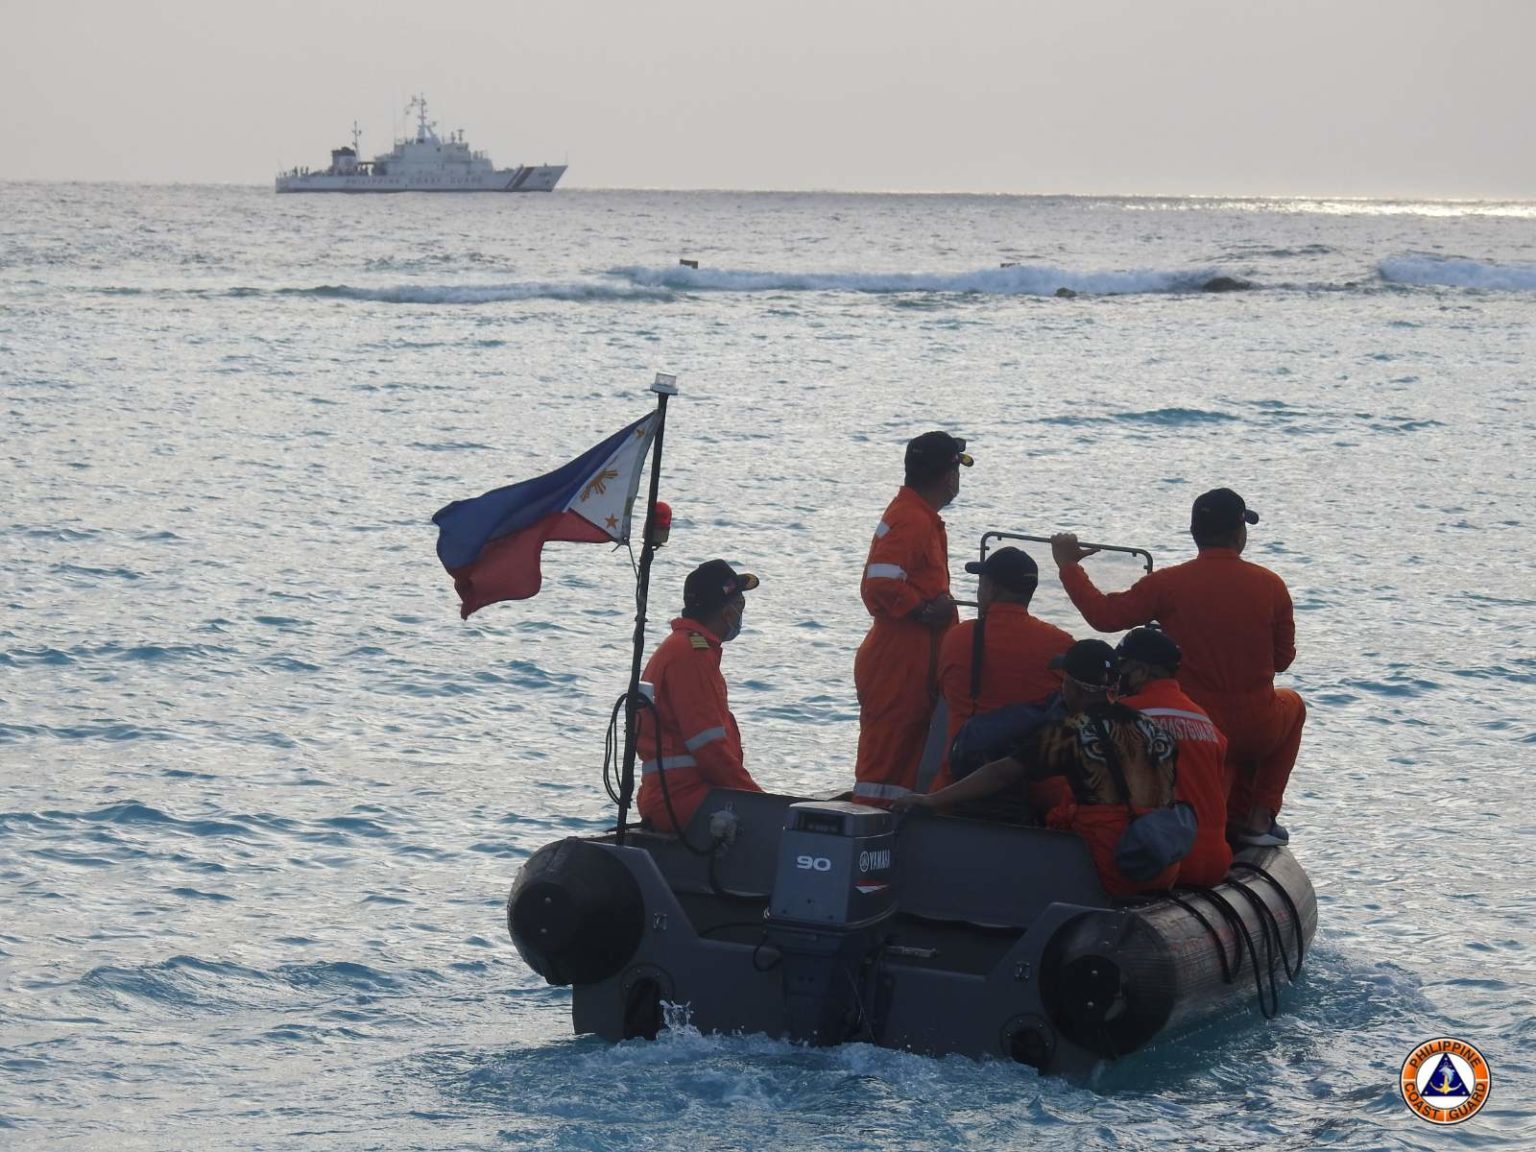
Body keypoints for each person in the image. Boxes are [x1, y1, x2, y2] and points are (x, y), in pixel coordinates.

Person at [1049, 488, 1305, 846]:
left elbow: (1104, 617)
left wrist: (1069, 567)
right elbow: (1283, 660)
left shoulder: (1168, 584)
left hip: (1190, 728)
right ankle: (1260, 816)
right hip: (1255, 728)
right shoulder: (1272, 586)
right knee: (1292, 705)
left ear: (1194, 532)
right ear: (1239, 533)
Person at [896, 639, 1181, 898]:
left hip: (1110, 870)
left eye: (1064, 680)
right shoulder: (1152, 728)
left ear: (1074, 686)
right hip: (1161, 866)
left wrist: (931, 799)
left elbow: (1001, 773)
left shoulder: (1073, 732)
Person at [852, 431, 972, 806]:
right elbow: (879, 584)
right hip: (898, 663)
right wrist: (923, 611)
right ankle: (870, 833)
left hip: (911, 662)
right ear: (948, 475)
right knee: (885, 764)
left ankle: (890, 829)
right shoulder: (913, 520)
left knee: (903, 761)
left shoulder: (919, 517)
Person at [929, 546, 1073, 793]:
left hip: (957, 786)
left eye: (982, 584)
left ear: (992, 589)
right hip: (1037, 791)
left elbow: (942, 690)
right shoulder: (1061, 644)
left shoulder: (957, 638)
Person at [636, 559, 762, 833]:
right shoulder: (691, 656)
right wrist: (758, 801)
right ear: (726, 612)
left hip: (678, 794)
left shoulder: (685, 649)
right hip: (685, 799)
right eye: (740, 604)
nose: (741, 612)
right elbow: (710, 749)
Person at [1114, 626, 1232, 886]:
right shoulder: (1204, 720)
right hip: (1215, 861)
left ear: (1142, 671)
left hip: (1165, 859)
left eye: (1122, 668)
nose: (1117, 677)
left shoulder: (1120, 716)